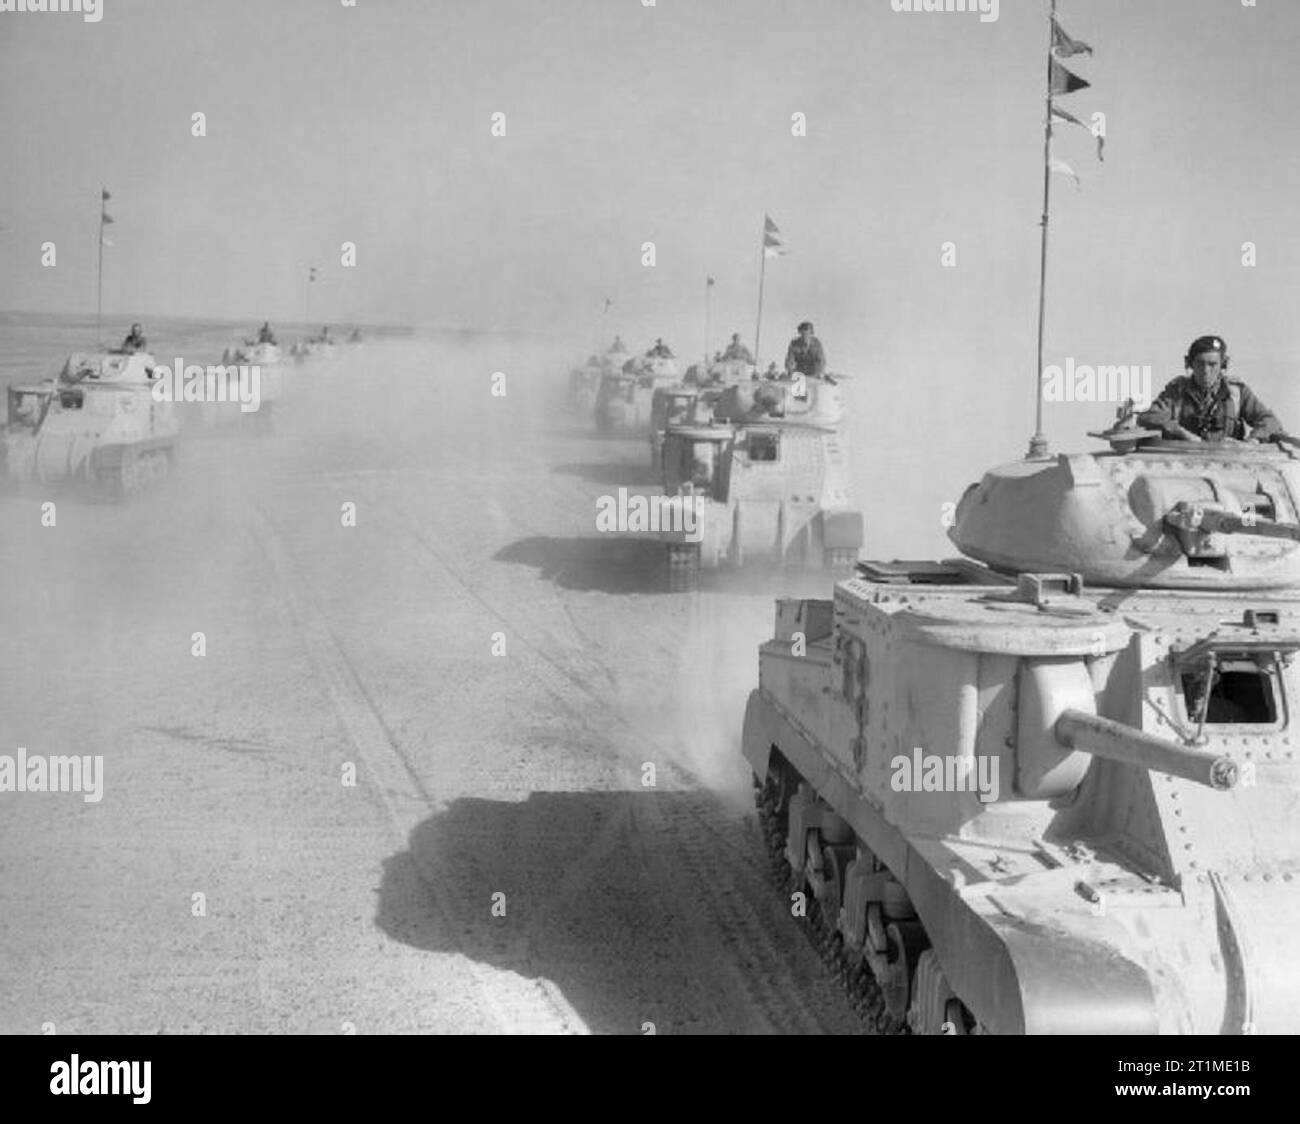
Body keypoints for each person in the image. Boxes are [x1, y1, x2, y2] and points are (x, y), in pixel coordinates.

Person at [1138, 335, 1283, 442]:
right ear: (1190, 363)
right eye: (1200, 364)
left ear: (1223, 364)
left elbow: (1270, 421)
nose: (1206, 371)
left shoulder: (1237, 392)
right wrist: (1181, 432)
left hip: (1229, 463)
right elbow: (1149, 417)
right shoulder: (1177, 391)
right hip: (1185, 461)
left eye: (1212, 364)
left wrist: (1252, 441)